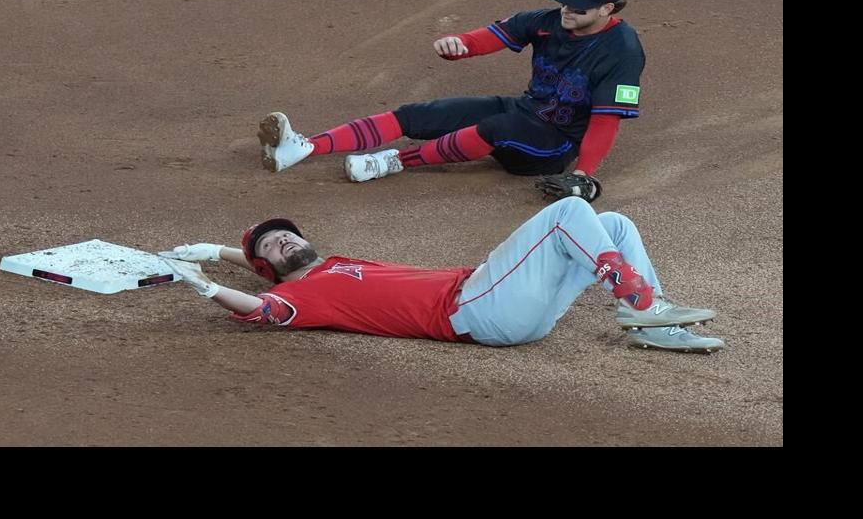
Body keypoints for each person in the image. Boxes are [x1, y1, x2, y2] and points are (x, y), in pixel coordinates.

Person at [260, 0, 643, 201]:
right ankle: (304, 148)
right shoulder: (548, 20)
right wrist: (460, 46)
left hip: (554, 144)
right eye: (564, 3)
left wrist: (583, 174)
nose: (566, 13)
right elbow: (496, 34)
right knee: (425, 114)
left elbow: (606, 120)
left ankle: (394, 162)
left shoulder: (623, 51)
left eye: (578, 9)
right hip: (527, 110)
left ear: (607, 9)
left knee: (495, 127)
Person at [160, 198, 723, 354]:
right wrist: (206, 287)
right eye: (271, 245)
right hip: (478, 309)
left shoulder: (326, 265)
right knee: (568, 214)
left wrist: (213, 249)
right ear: (269, 269)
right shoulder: (302, 295)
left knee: (614, 223)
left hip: (507, 307)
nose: (284, 239)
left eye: (286, 232)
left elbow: (259, 264)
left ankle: (654, 325)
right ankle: (643, 305)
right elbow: (264, 311)